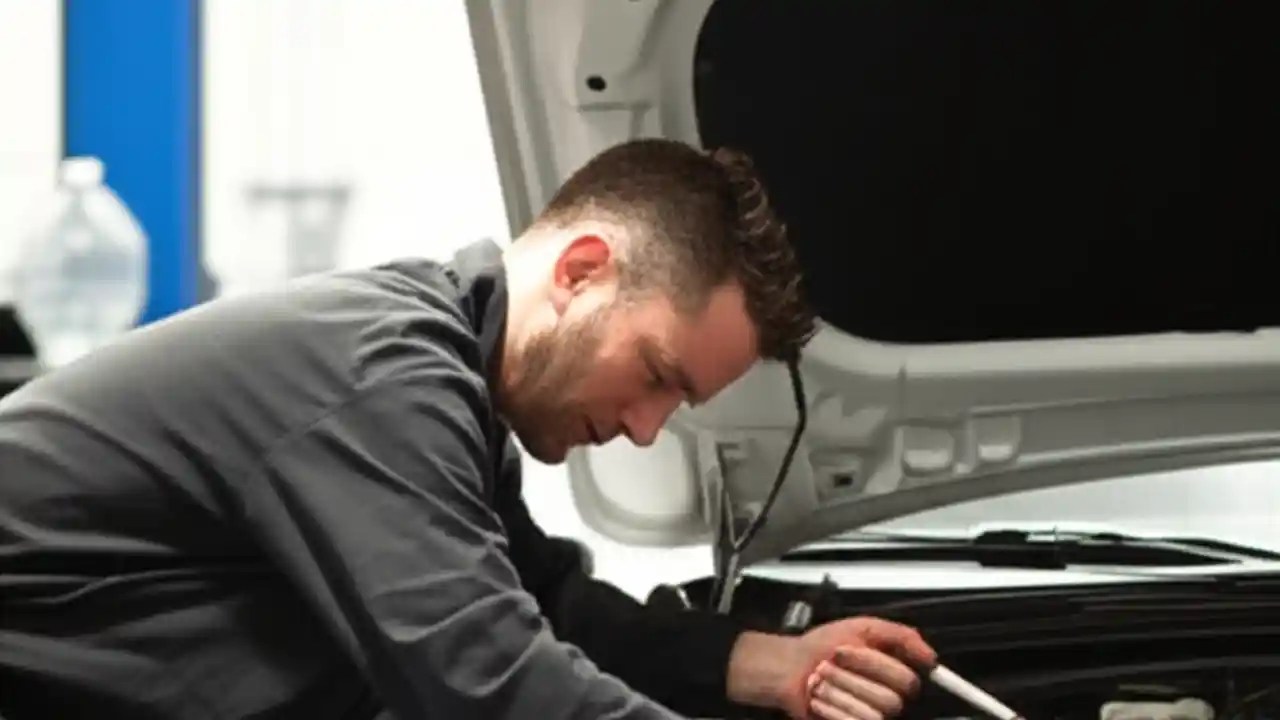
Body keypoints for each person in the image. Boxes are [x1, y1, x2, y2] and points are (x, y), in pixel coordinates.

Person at [0, 138, 936, 719]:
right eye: (657, 376)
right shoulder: (380, 376)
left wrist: (771, 665)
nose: (649, 431)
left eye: (677, 405)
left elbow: (543, 611)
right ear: (580, 272)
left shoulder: (445, 380)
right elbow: (485, 680)